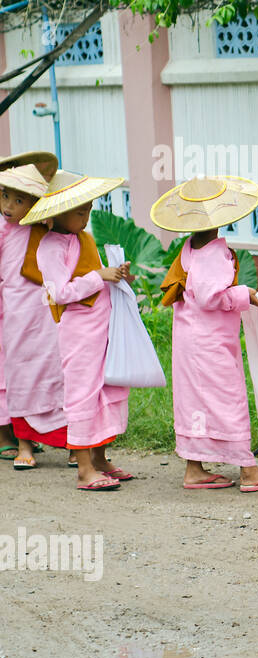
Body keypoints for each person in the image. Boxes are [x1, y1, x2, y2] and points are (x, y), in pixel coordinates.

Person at [150, 176, 258, 493]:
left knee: (195, 400)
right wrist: (245, 294)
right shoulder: (213, 253)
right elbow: (210, 296)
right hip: (209, 343)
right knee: (227, 397)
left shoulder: (190, 247)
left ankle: (195, 468)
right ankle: (248, 468)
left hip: (190, 339)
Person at [23, 170, 135, 491]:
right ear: (58, 213)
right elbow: (59, 292)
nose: (86, 218)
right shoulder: (49, 247)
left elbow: (97, 274)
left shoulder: (82, 238)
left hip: (102, 326)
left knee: (105, 390)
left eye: (88, 210)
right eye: (79, 212)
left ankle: (100, 458)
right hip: (78, 332)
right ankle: (84, 468)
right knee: (83, 393)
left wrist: (116, 274)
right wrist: (99, 276)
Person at [0, 155, 69, 471]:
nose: (9, 207)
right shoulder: (3, 230)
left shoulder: (48, 229)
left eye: (18, 199)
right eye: (4, 197)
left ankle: (70, 443)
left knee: (55, 372)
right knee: (19, 374)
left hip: (46, 313)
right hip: (14, 314)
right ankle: (24, 442)